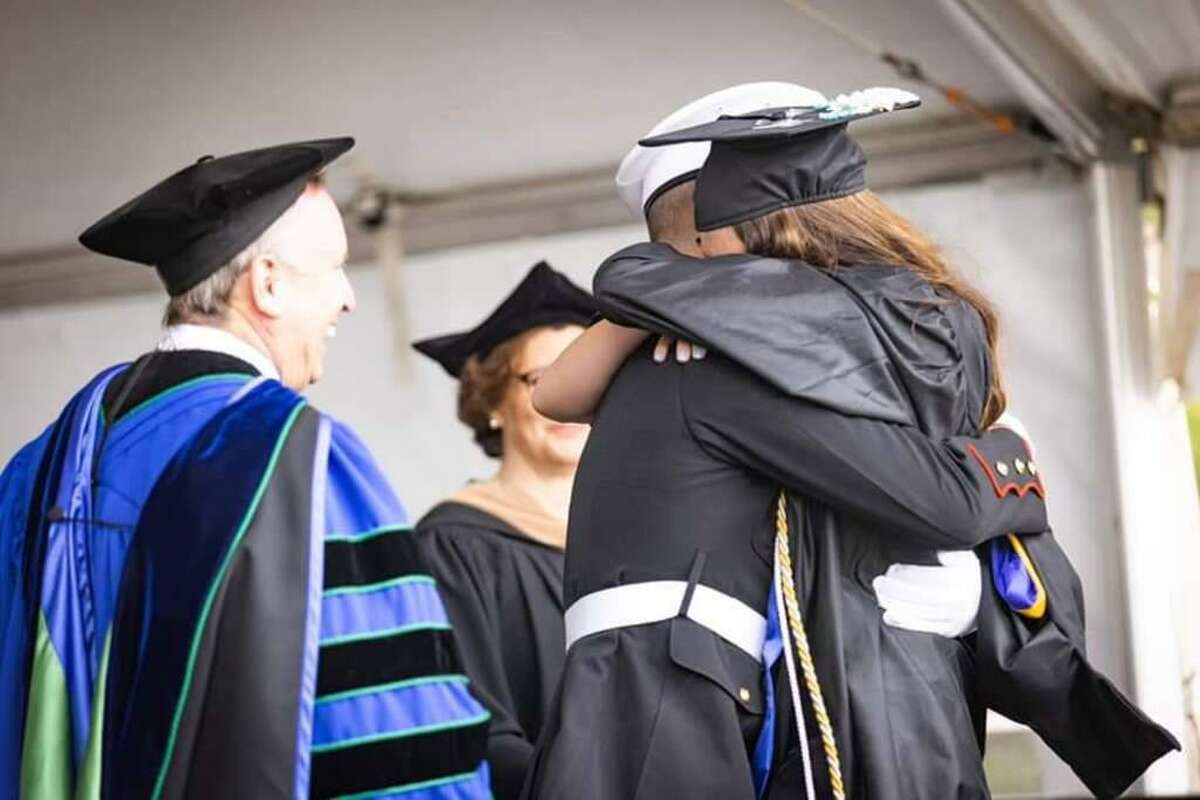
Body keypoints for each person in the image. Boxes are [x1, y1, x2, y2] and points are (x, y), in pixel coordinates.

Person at [534, 86, 1177, 798]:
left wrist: (977, 601)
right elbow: (947, 505)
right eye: (690, 261)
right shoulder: (701, 368)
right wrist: (1010, 459)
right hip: (770, 733)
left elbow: (1034, 586)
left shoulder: (899, 354)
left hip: (910, 725)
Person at [0, 139, 492, 799]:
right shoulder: (301, 461)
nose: (347, 299)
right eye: (337, 268)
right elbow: (394, 737)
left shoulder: (34, 472)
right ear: (266, 283)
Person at [412, 262, 594, 799]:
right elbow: (474, 728)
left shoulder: (641, 538)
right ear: (493, 401)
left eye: (584, 378)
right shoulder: (453, 544)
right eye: (541, 379)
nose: (568, 399)